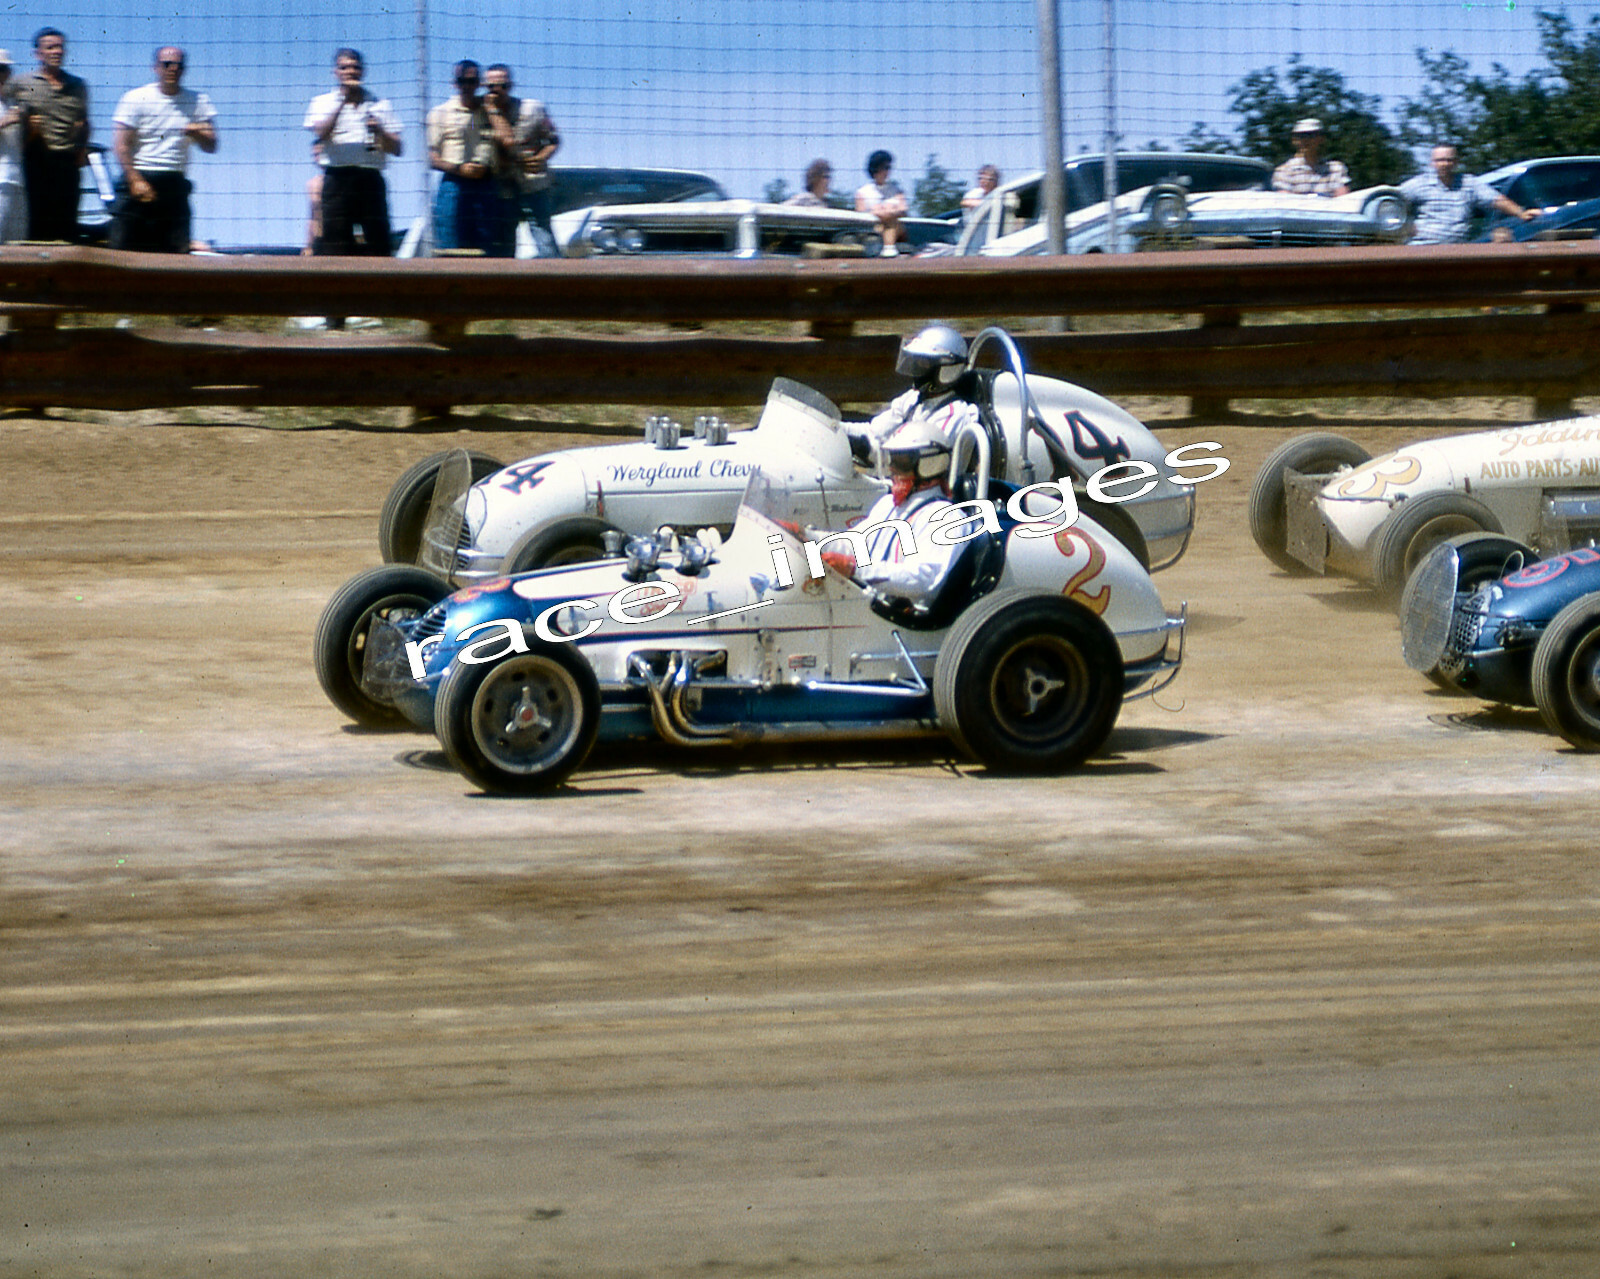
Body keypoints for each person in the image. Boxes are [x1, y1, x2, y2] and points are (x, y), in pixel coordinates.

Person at [813, 416, 966, 606]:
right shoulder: (888, 504)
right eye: (891, 460)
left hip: (901, 618)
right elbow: (853, 543)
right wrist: (806, 536)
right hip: (871, 606)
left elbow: (924, 578)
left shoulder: (945, 517)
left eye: (901, 462)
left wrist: (856, 569)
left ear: (930, 464)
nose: (892, 468)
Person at [108, 46, 217, 253]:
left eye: (179, 65)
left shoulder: (199, 101)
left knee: (175, 254)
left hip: (174, 184)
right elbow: (121, 145)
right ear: (156, 68)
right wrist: (134, 180)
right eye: (167, 64)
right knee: (123, 251)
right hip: (139, 177)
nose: (173, 69)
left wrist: (198, 133)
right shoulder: (135, 97)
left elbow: (212, 145)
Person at [303, 48, 402, 256]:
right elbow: (321, 132)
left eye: (355, 67)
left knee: (377, 243)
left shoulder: (380, 104)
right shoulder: (322, 102)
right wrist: (342, 102)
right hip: (337, 179)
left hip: (370, 179)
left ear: (363, 72)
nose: (350, 72)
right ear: (335, 72)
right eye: (344, 67)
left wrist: (380, 130)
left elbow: (398, 148)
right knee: (335, 243)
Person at [850, 324, 982, 464]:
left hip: (926, 482)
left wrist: (868, 452)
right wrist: (836, 428)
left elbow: (919, 463)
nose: (917, 369)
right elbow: (873, 431)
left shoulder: (954, 414)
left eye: (924, 364)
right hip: (897, 476)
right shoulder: (913, 398)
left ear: (947, 370)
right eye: (917, 362)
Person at [12, 27, 88, 242]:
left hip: (67, 162)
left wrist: (81, 149)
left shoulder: (78, 85)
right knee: (37, 223)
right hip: (35, 161)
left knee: (67, 225)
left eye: (60, 47)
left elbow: (84, 121)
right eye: (50, 47)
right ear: (38, 53)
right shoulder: (22, 83)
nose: (57, 52)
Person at [428, 60, 510, 256]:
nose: (466, 86)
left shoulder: (489, 110)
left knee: (487, 247)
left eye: (472, 81)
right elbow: (432, 158)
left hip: (486, 184)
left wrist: (491, 109)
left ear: (479, 84)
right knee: (451, 244)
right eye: (461, 81)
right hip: (454, 184)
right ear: (454, 83)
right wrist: (459, 169)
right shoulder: (440, 113)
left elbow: (508, 140)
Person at [484, 63, 559, 256]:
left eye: (503, 86)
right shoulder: (482, 114)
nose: (497, 91)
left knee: (543, 236)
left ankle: (554, 278)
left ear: (511, 86)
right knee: (504, 241)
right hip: (501, 186)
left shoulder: (532, 109)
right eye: (491, 87)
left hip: (532, 184)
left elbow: (553, 140)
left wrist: (541, 158)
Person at [1400, 144, 1535, 244]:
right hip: (1423, 247)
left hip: (1457, 249)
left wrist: (1521, 213)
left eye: (1449, 160)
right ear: (1432, 163)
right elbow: (1390, 199)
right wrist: (1404, 225)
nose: (1445, 164)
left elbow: (1496, 200)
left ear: (1456, 162)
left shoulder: (1469, 183)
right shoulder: (1419, 183)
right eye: (1440, 160)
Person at [1271, 118, 1349, 197]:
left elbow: (1343, 199)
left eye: (1311, 135)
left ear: (1321, 139)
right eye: (1301, 136)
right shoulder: (1283, 171)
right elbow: (1285, 201)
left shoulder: (1336, 169)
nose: (1305, 140)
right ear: (1294, 140)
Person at [855, 149, 908, 256]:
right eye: (884, 168)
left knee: (892, 223)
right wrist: (888, 211)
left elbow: (903, 209)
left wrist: (881, 212)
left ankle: (889, 249)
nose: (887, 172)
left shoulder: (896, 190)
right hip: (874, 228)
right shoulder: (862, 192)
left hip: (897, 229)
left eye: (888, 168)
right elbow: (860, 215)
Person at [0, 51, 26, 244]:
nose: (4, 73)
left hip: (17, 181)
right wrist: (5, 121)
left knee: (16, 246)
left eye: (6, 68)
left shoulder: (11, 103)